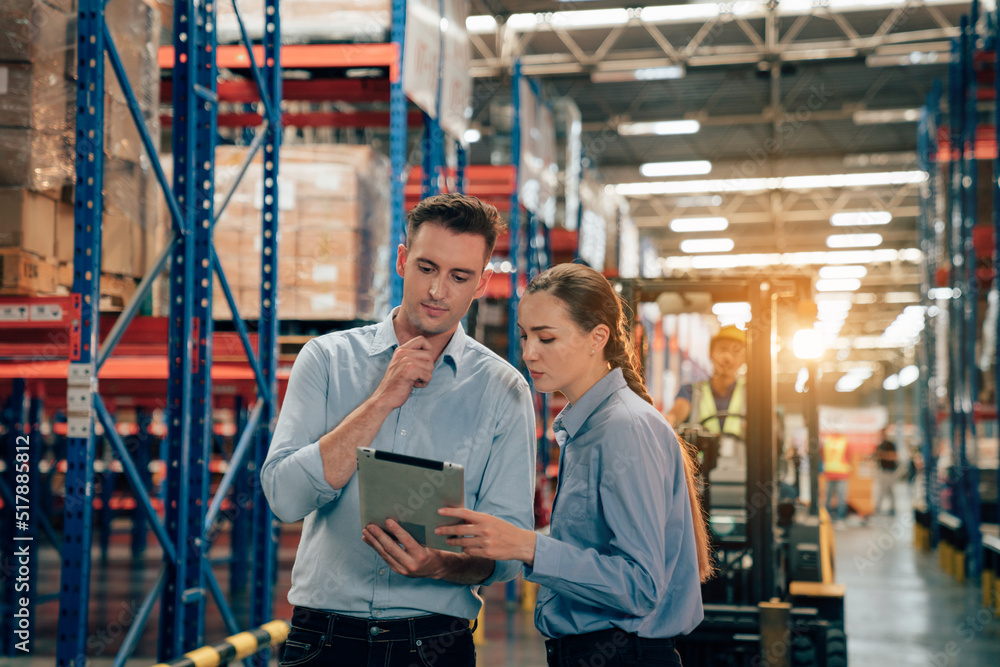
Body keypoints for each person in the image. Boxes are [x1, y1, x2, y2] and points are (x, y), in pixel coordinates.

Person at [261, 193, 536, 667]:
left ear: (482, 284)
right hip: (324, 638)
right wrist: (382, 399)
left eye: (459, 276)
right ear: (403, 261)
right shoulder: (326, 360)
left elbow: (509, 553)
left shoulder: (503, 390)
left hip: (435, 644)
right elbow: (284, 498)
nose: (437, 291)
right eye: (427, 268)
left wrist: (440, 566)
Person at [436, 263, 713, 667]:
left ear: (597, 337)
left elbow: (639, 586)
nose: (529, 353)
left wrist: (528, 546)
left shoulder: (623, 428)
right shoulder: (588, 426)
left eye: (547, 338)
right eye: (525, 336)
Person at [665, 324, 746, 437]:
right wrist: (671, 418)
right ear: (710, 353)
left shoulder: (752, 394)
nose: (728, 357)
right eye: (722, 349)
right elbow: (679, 409)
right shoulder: (690, 391)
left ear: (744, 358)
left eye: (736, 351)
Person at [822, 432, 851, 527]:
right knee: (841, 498)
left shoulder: (827, 441)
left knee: (828, 497)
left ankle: (826, 518)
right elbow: (849, 457)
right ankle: (840, 519)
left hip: (830, 473)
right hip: (842, 474)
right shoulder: (845, 441)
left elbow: (822, 456)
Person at [874, 428, 898, 516]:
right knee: (882, 490)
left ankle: (891, 509)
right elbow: (877, 457)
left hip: (890, 471)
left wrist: (883, 455)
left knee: (889, 491)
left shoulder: (890, 445)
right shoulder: (880, 445)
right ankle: (879, 508)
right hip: (882, 471)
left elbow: (893, 456)